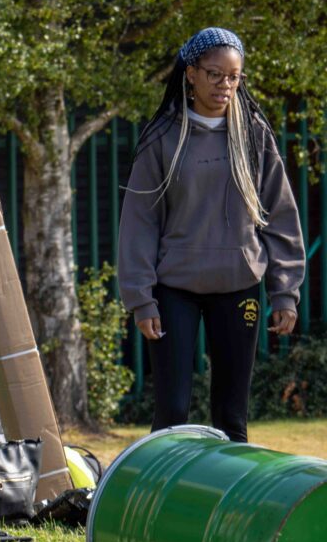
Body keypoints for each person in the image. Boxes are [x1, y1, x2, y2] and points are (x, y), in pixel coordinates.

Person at [118, 27, 304, 442]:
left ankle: (232, 507)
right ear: (191, 74)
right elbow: (139, 222)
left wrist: (284, 291)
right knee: (173, 411)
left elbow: (280, 214)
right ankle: (160, 501)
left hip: (238, 285)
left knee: (232, 416)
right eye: (215, 74)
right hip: (174, 289)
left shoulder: (255, 137)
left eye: (233, 77)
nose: (225, 85)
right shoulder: (162, 137)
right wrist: (140, 298)